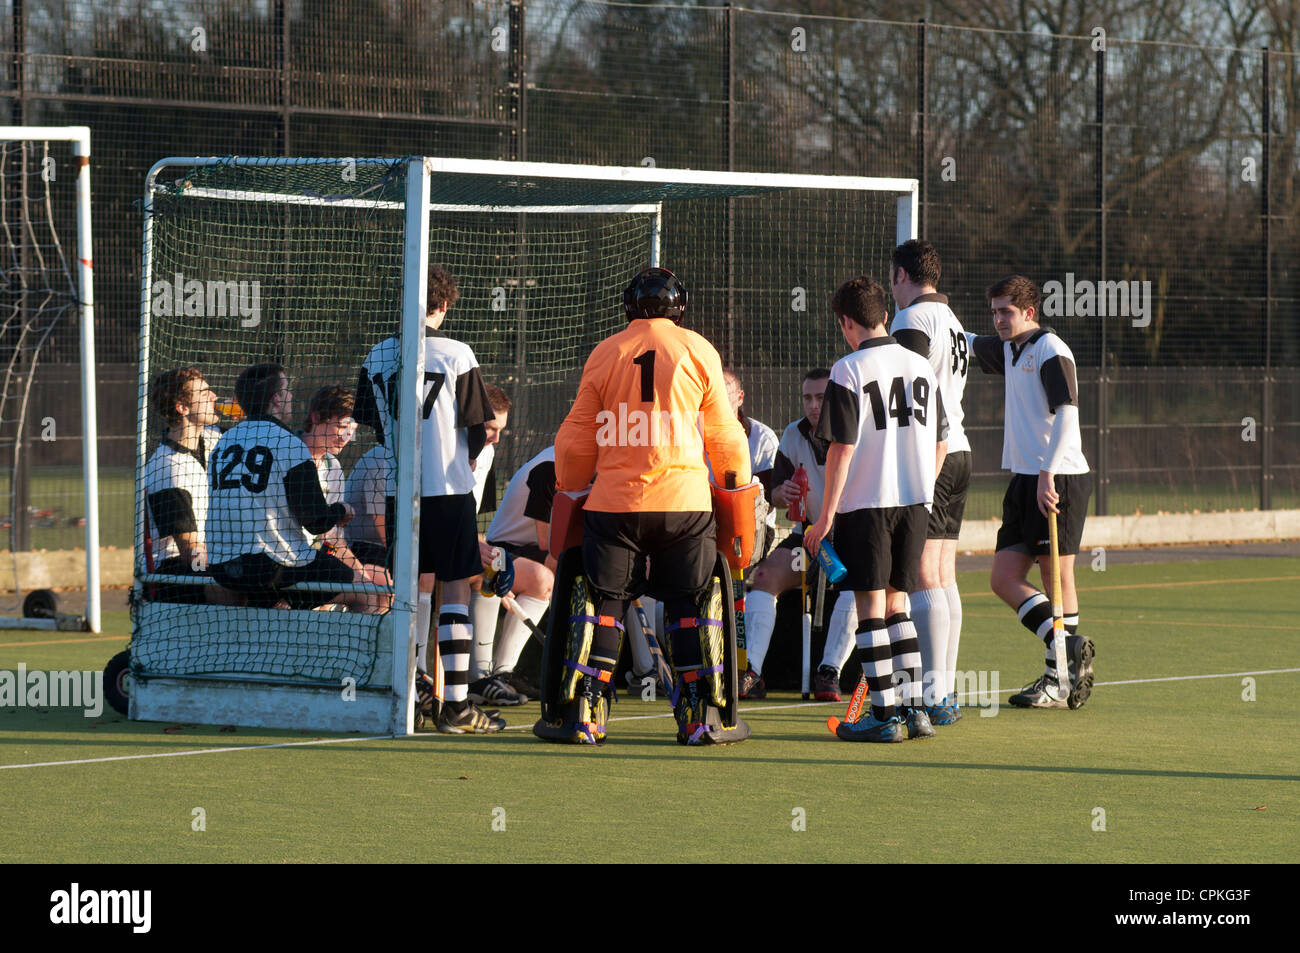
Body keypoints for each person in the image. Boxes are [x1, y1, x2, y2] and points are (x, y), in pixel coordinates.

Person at [536, 266, 753, 745]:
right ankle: (698, 716)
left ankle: (588, 711)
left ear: (628, 308)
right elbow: (724, 437)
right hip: (684, 503)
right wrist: (737, 490)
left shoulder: (606, 352)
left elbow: (574, 440)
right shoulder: (699, 350)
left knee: (606, 605)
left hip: (614, 505)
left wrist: (573, 485)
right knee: (688, 604)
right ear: (680, 309)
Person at [356, 266, 511, 733]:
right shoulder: (457, 353)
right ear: (445, 305)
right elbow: (476, 430)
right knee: (456, 587)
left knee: (406, 588)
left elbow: (373, 420)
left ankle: (410, 687)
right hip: (447, 487)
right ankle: (457, 707)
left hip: (399, 488)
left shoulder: (378, 354)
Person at [804, 276, 947, 743]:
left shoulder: (848, 369)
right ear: (884, 313)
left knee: (869, 607)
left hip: (867, 504)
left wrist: (825, 517)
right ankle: (914, 711)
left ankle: (884, 715)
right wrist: (922, 483)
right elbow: (942, 439)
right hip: (915, 502)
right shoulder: (919, 364)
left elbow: (841, 448)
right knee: (898, 606)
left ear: (847, 322)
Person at [966, 275, 1094, 709]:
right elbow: (962, 340)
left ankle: (1059, 680)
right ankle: (1066, 651)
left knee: (1055, 577)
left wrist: (1047, 474)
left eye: (1006, 312)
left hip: (1058, 477)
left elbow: (1068, 418)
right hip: (1023, 477)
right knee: (1003, 578)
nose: (999, 319)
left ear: (1029, 313)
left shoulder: (1050, 351)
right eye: (995, 311)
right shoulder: (1009, 348)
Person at [887, 239, 971, 723]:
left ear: (901, 275)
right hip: (961, 450)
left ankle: (934, 695)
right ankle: (944, 691)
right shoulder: (954, 321)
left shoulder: (911, 320)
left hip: (933, 455)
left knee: (922, 575)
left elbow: (910, 388)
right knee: (942, 574)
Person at [206, 364, 356, 610]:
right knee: (343, 577)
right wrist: (341, 511)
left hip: (222, 566)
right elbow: (316, 521)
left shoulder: (223, 444)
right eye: (286, 390)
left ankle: (272, 607)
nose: (290, 397)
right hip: (268, 565)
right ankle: (280, 609)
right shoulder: (288, 444)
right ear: (275, 400)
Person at [738, 368, 833, 700]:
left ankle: (829, 673)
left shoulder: (858, 432)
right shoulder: (793, 434)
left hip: (851, 538)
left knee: (858, 586)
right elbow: (774, 494)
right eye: (807, 398)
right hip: (808, 539)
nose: (813, 405)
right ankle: (753, 673)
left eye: (821, 397)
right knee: (763, 576)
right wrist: (783, 494)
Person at [300, 385, 387, 612]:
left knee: (375, 590)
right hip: (286, 563)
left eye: (352, 430)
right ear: (317, 417)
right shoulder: (289, 454)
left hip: (318, 558)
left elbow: (332, 541)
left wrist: (363, 576)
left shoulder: (333, 466)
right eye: (340, 427)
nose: (347, 436)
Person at [143, 367, 220, 603]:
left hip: (212, 559)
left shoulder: (214, 439)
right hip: (177, 574)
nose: (214, 396)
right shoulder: (167, 467)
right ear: (182, 408)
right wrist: (221, 576)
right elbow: (190, 552)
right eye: (205, 392)